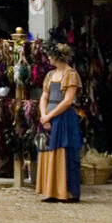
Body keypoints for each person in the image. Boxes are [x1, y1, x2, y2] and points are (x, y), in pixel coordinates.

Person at [36, 43, 82, 202]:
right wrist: (43, 114)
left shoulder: (70, 74)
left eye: (50, 55)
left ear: (58, 57)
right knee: (49, 151)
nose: (48, 58)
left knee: (63, 152)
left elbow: (68, 100)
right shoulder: (49, 75)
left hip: (64, 118)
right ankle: (51, 190)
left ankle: (65, 192)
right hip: (49, 115)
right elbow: (44, 96)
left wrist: (49, 116)